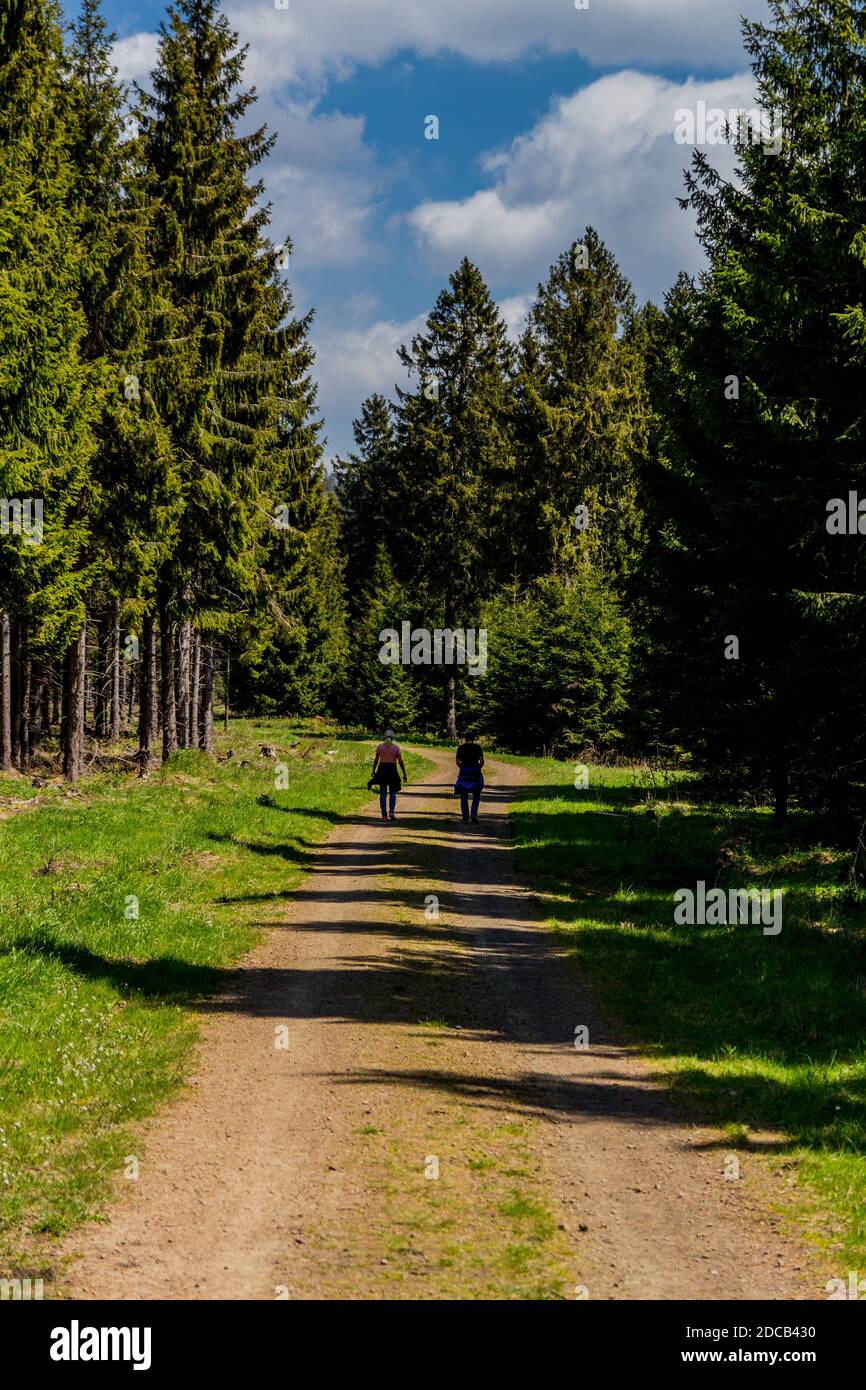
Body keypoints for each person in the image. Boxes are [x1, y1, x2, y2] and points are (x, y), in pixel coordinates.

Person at [371, 730, 407, 821]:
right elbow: (400, 761)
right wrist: (404, 773)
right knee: (393, 793)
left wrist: (373, 770)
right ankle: (391, 812)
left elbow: (376, 760)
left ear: (384, 737)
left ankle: (384, 815)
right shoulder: (396, 748)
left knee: (383, 793)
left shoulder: (380, 747)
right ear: (393, 737)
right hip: (392, 770)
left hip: (382, 770)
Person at [455, 732, 484, 823]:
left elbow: (457, 761)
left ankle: (465, 817)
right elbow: (481, 761)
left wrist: (462, 767)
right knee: (477, 793)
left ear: (465, 739)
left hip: (464, 771)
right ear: (473, 739)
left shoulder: (461, 748)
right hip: (475, 771)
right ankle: (474, 815)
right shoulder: (477, 747)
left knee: (464, 794)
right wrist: (478, 767)